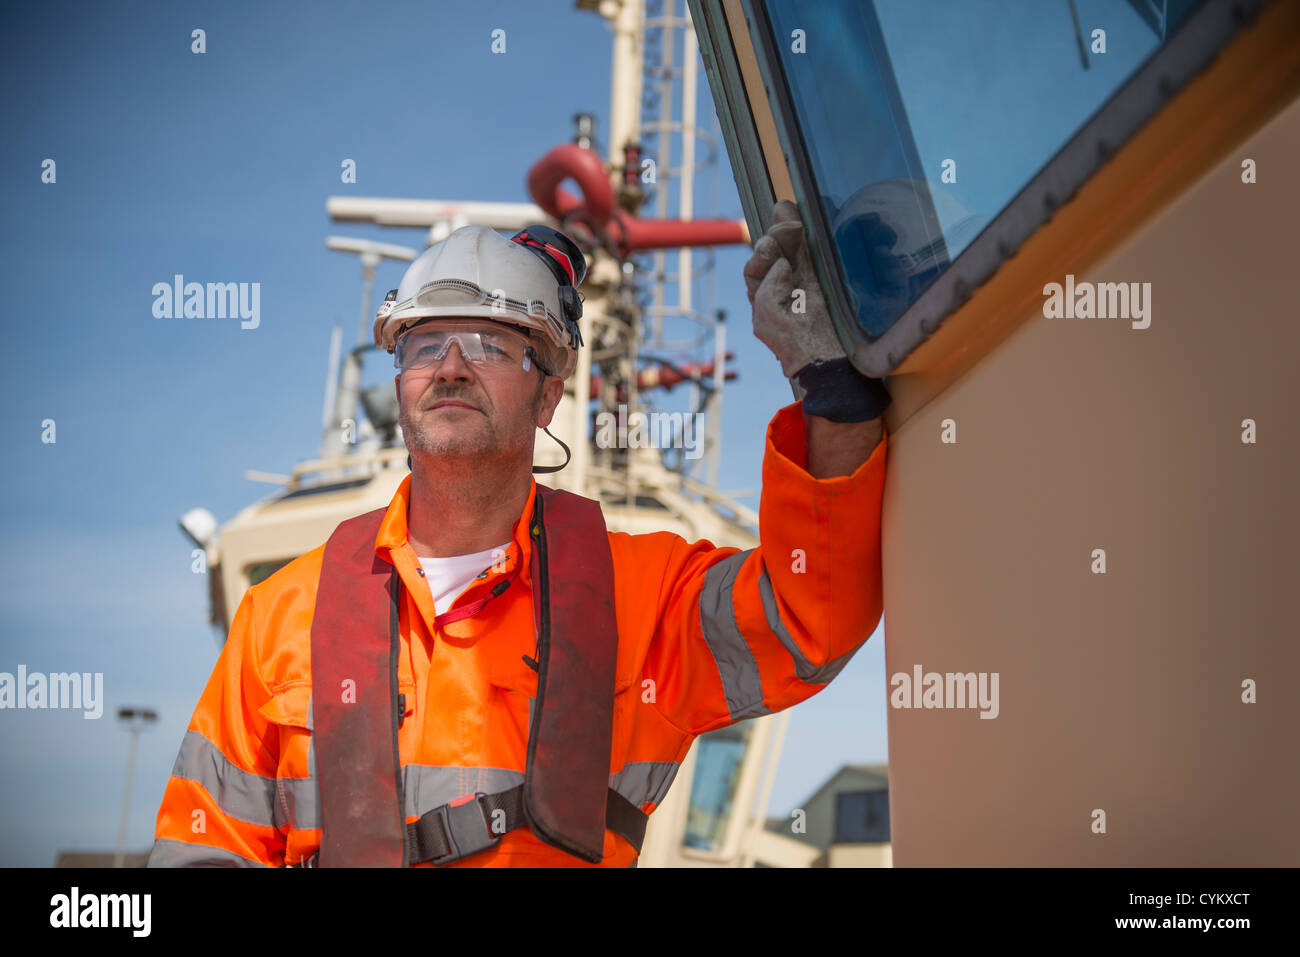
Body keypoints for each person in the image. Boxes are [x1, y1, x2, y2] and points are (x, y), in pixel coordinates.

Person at [147, 201, 890, 867]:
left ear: (548, 394)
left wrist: (831, 387)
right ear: (400, 380)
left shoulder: (643, 598)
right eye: (421, 344)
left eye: (492, 344)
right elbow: (202, 848)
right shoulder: (277, 617)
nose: (450, 367)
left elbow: (808, 617)